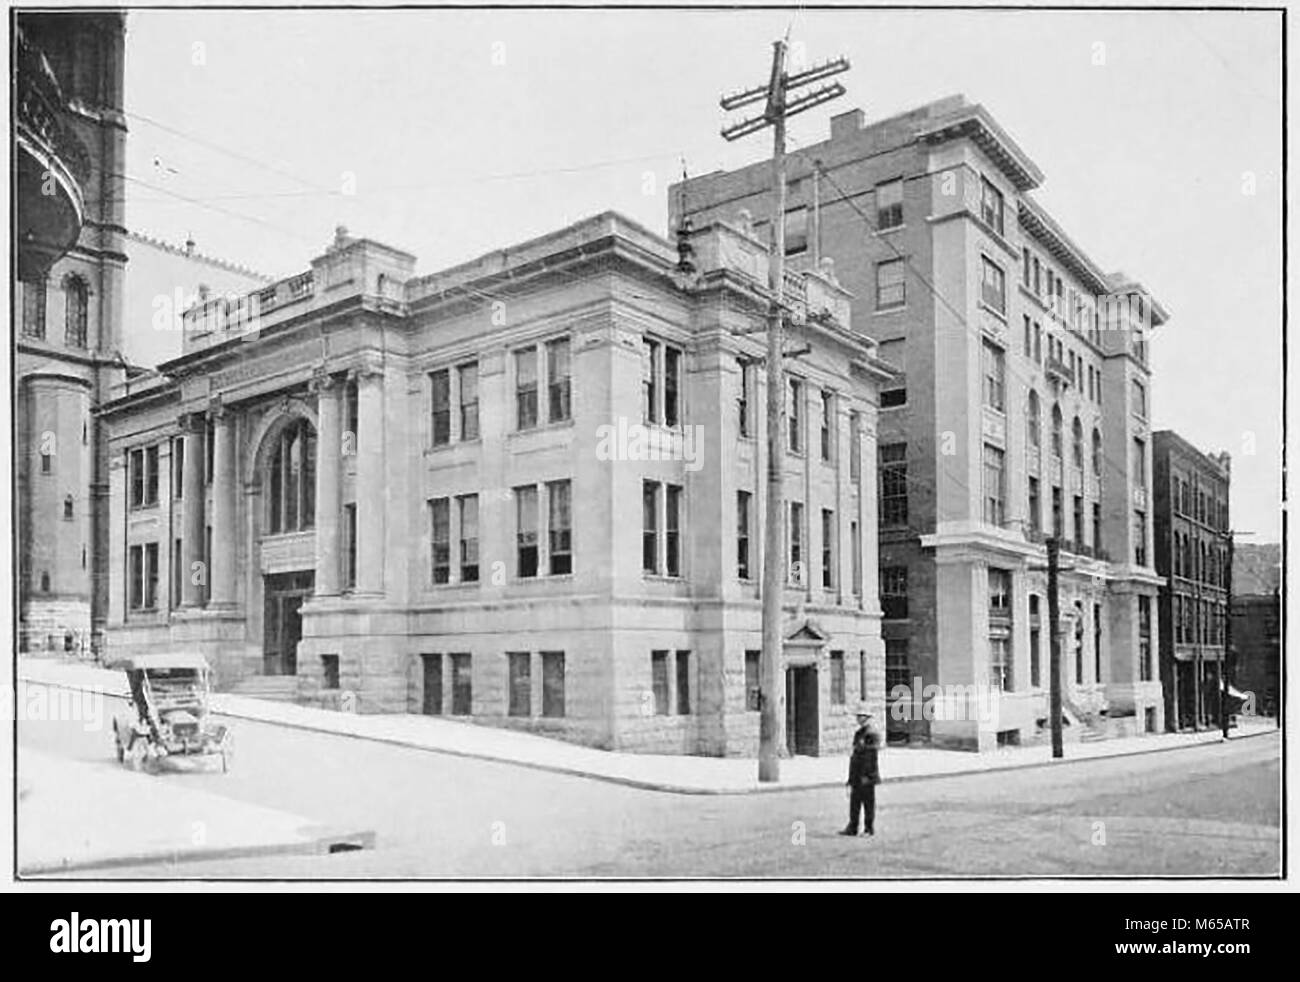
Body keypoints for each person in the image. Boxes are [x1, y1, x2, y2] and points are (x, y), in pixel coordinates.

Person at [840, 704, 880, 837]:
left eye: (862, 716)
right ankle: (853, 827)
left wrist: (868, 775)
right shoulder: (858, 734)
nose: (859, 718)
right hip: (857, 774)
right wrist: (851, 777)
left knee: (868, 803)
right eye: (858, 716)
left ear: (868, 718)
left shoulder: (871, 734)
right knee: (854, 802)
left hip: (867, 775)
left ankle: (869, 828)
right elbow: (855, 756)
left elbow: (871, 757)